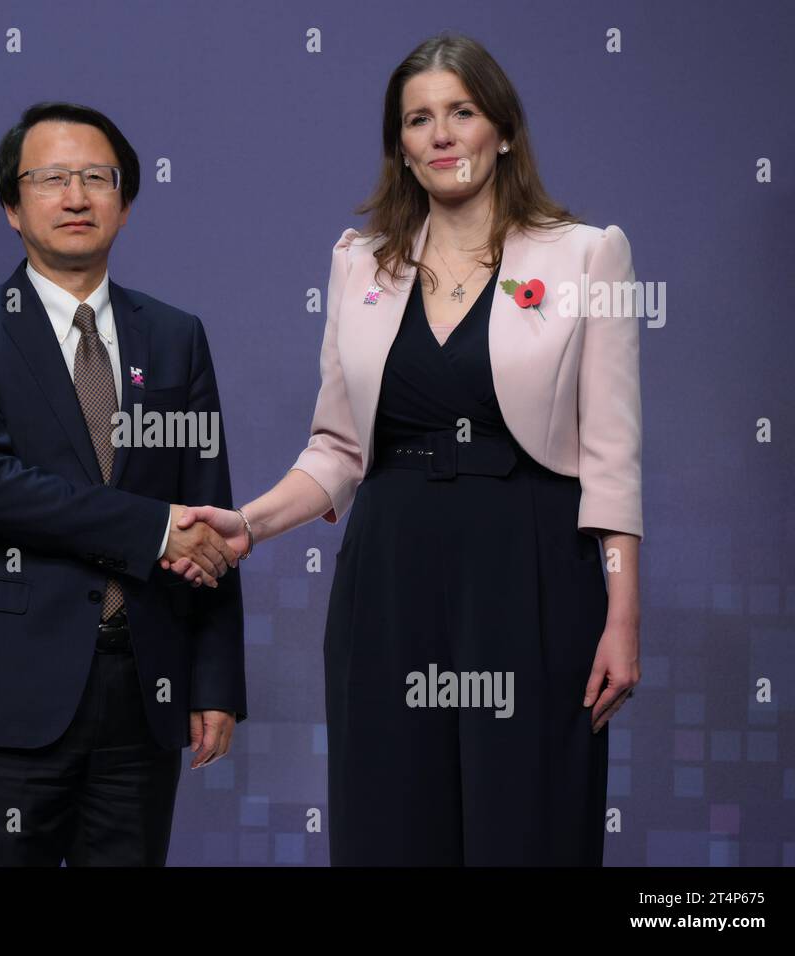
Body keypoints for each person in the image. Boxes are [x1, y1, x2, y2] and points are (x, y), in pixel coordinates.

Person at [167, 34, 643, 865]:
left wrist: (623, 616)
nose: (442, 133)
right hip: (390, 572)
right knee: (391, 821)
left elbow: (610, 456)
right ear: (402, 148)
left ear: (502, 129)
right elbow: (338, 447)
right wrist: (251, 522)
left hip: (529, 566)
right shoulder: (359, 265)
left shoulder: (586, 253)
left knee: (526, 823)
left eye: (461, 112)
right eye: (419, 120)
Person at [0, 102, 246, 866]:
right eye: (51, 179)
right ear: (12, 205)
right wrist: (158, 528)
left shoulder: (175, 336)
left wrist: (217, 679)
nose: (75, 197)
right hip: (14, 693)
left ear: (124, 204)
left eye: (97, 178)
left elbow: (211, 511)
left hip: (146, 689)